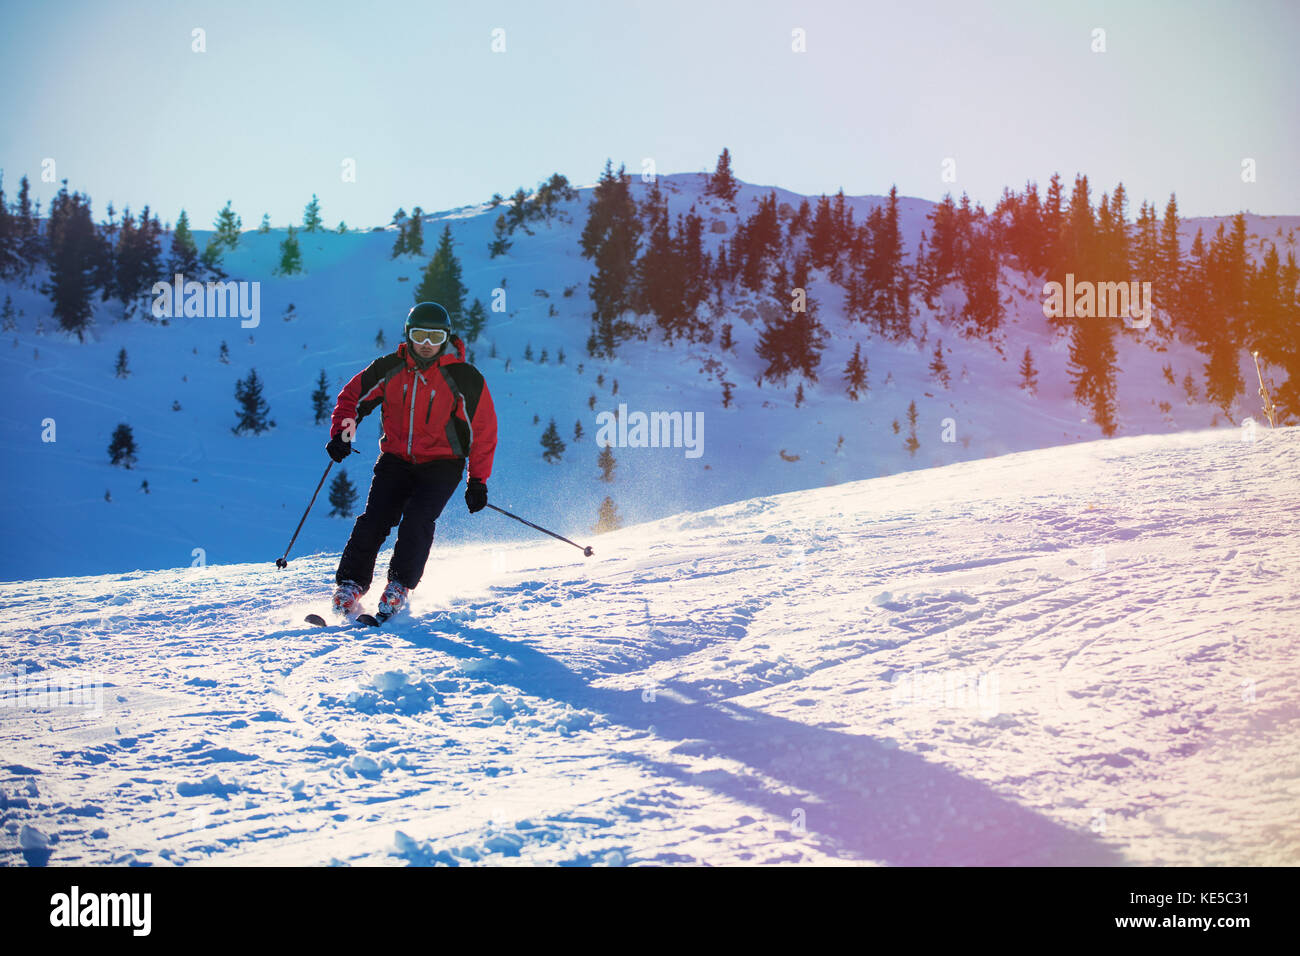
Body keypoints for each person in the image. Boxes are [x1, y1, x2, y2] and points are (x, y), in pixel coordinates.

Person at [325, 301, 498, 617]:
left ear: (446, 338)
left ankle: (399, 585)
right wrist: (343, 433)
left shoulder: (464, 377)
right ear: (408, 335)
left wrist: (477, 481)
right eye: (421, 335)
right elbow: (352, 398)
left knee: (417, 520)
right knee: (374, 519)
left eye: (435, 337)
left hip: (443, 464)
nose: (427, 345)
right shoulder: (389, 368)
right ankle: (350, 584)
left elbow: (483, 432)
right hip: (396, 460)